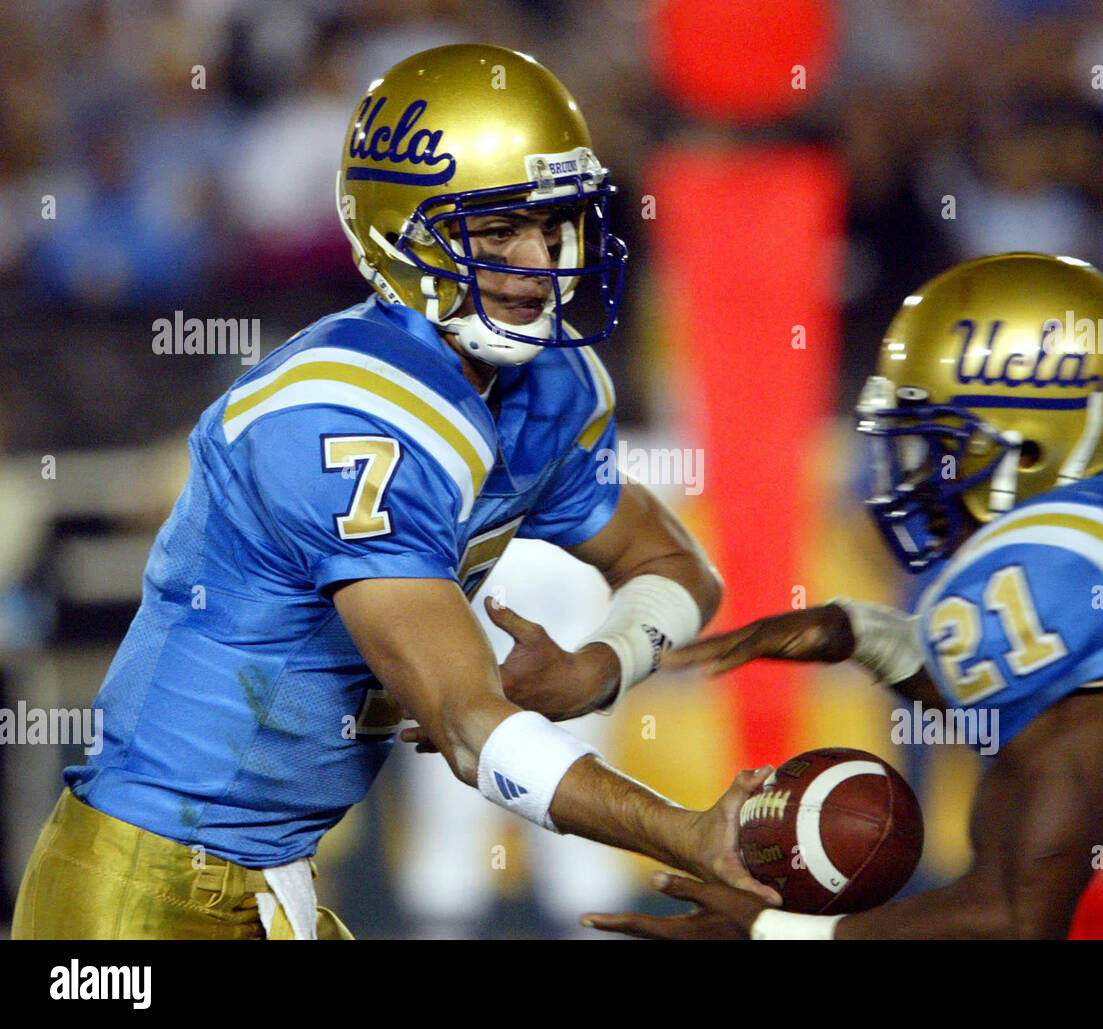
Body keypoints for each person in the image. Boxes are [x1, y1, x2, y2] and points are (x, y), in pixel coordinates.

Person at [12, 44, 776, 940]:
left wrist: (600, 665)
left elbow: (678, 567)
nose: (537, 263)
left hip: (276, 875)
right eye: (497, 233)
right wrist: (685, 832)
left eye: (554, 224)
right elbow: (465, 724)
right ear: (399, 235)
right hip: (141, 887)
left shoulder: (552, 386)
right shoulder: (343, 411)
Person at [584, 253, 1103, 940]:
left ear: (1033, 448)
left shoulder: (1055, 582)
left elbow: (1018, 919)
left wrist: (773, 930)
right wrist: (871, 638)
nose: (916, 477)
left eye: (941, 446)